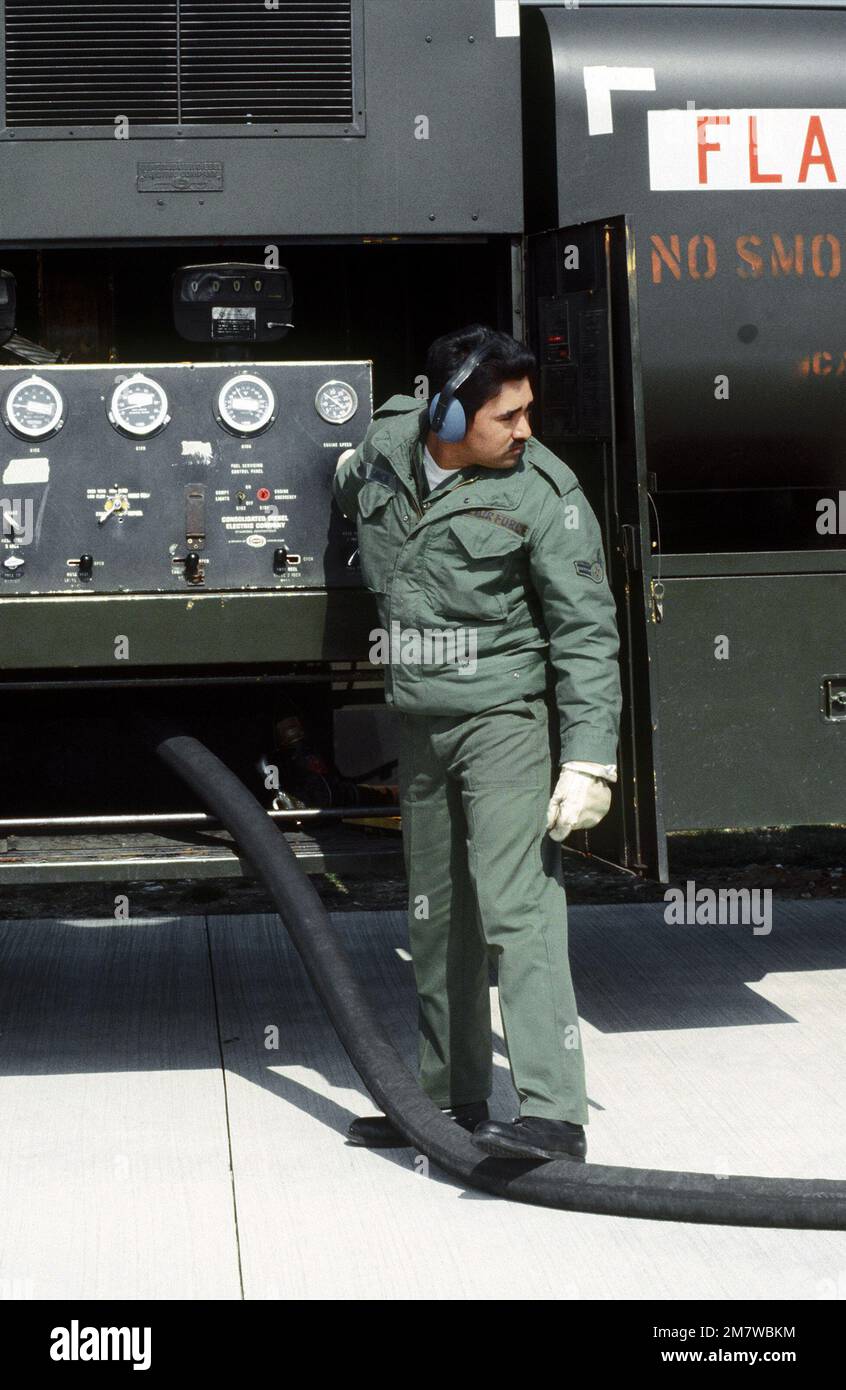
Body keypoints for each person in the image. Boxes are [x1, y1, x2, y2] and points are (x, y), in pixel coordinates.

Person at [332, 324, 622, 1163]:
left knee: (517, 911)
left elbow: (586, 632)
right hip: (420, 720)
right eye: (509, 415)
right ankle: (446, 1103)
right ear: (449, 415)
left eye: (529, 411)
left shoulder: (545, 493)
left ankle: (553, 1114)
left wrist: (589, 757)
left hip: (503, 721)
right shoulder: (389, 449)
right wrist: (345, 477)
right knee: (438, 917)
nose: (526, 429)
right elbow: (351, 483)